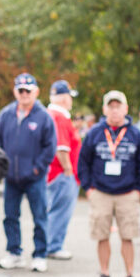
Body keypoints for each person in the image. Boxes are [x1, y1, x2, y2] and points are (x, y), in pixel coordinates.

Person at [77, 89, 140, 277]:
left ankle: (130, 276)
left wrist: (139, 189)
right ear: (104, 109)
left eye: (118, 106)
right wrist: (89, 189)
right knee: (102, 234)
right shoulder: (94, 132)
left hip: (127, 193)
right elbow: (83, 161)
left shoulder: (136, 134)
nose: (115, 110)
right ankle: (104, 274)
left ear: (125, 109)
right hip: (100, 191)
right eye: (111, 106)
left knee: (128, 235)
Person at [0, 73, 57, 273]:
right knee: (10, 216)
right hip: (12, 178)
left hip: (35, 178)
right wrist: (3, 167)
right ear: (15, 91)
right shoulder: (5, 115)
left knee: (39, 217)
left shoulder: (44, 117)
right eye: (20, 90)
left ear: (36, 92)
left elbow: (50, 147)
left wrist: (37, 168)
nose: (24, 94)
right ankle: (14, 253)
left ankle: (40, 254)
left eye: (27, 90)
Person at [46, 79, 81, 260]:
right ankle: (54, 245)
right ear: (63, 97)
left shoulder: (54, 114)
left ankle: (52, 243)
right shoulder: (58, 116)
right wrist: (68, 171)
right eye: (69, 96)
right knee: (60, 210)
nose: (71, 100)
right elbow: (61, 147)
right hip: (61, 173)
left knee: (56, 209)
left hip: (57, 172)